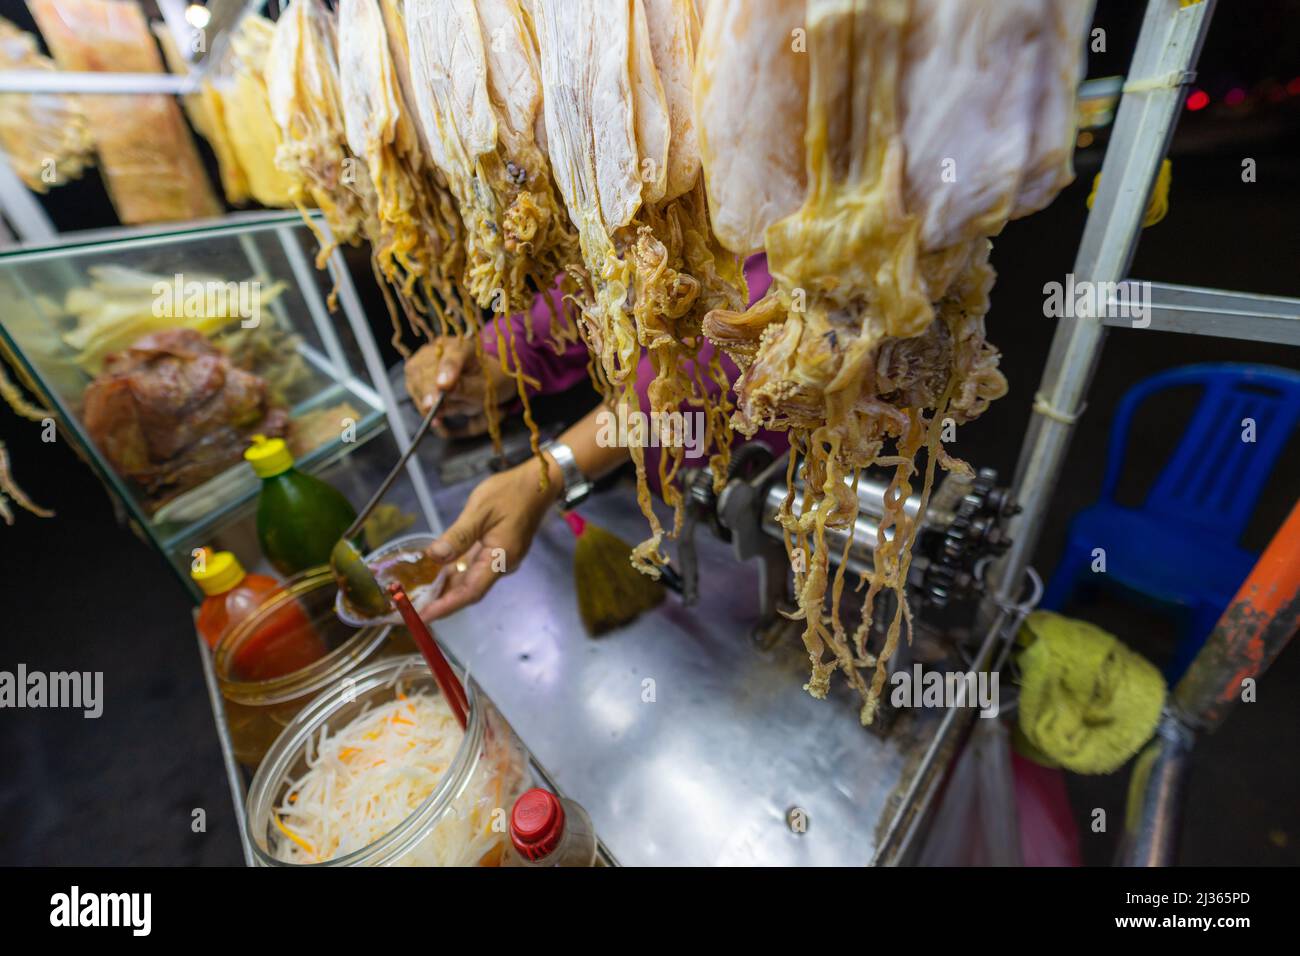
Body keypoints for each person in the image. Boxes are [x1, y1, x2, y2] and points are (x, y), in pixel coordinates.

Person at [405, 257, 780, 620]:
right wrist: (497, 358)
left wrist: (553, 472)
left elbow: (698, 374)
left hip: (772, 490)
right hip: (657, 488)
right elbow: (599, 276)